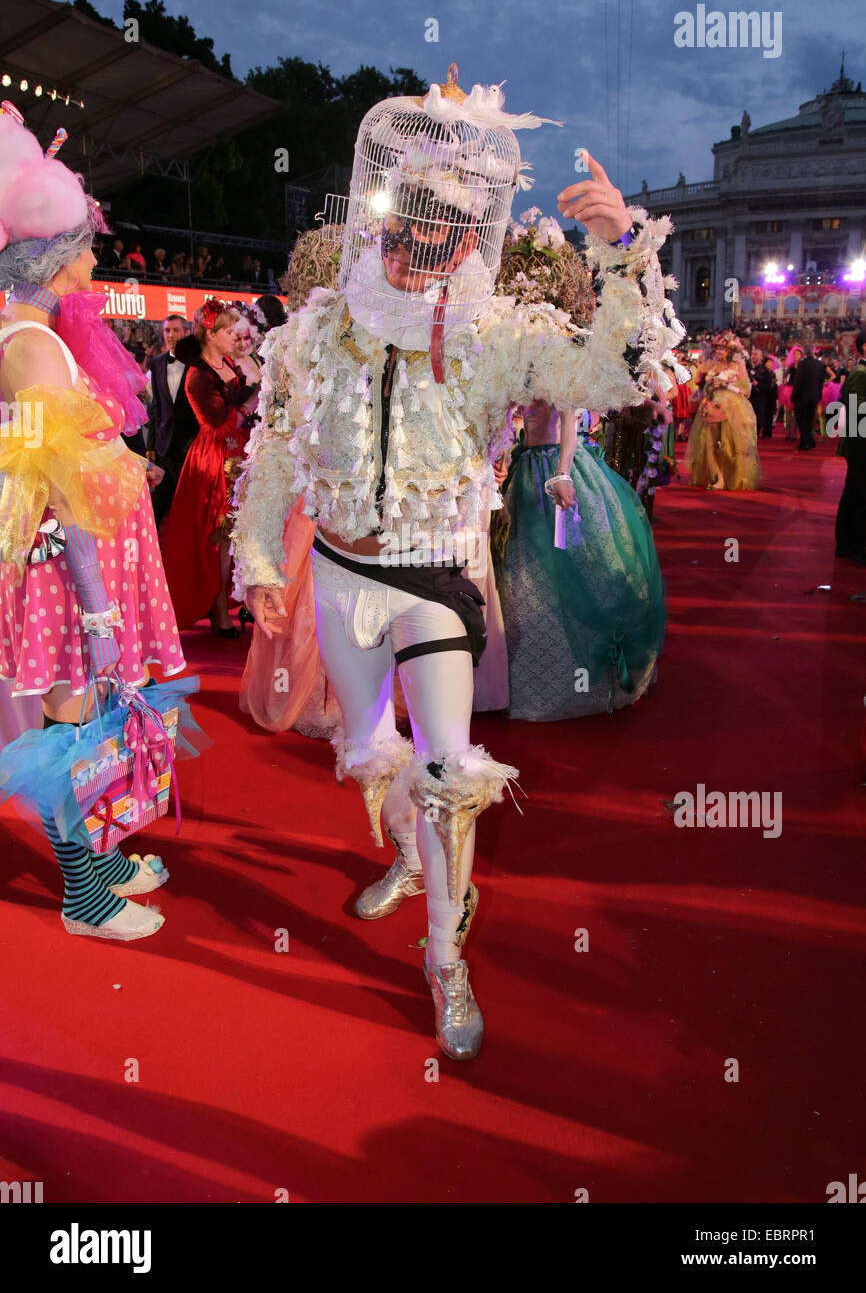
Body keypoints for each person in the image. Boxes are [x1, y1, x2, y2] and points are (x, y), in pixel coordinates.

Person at [230, 67, 683, 1059]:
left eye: (436, 230)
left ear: (461, 241)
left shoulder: (492, 335)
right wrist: (262, 552)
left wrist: (615, 252)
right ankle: (411, 855)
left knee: (444, 770)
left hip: (435, 576)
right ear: (381, 224)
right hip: (342, 574)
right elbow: (274, 445)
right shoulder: (320, 331)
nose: (411, 246)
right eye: (401, 224)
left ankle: (445, 954)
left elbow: (607, 374)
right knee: (367, 752)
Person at [0, 108, 195, 941]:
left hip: (69, 564)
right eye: (85, 241)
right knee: (68, 728)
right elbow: (49, 487)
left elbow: (47, 464)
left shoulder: (34, 335)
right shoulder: (30, 346)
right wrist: (96, 603)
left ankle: (99, 855)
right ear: (52, 254)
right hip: (63, 574)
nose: (95, 252)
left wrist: (125, 465)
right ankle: (82, 894)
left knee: (83, 721)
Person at [496, 403, 665, 719]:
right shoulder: (517, 361)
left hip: (557, 470)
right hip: (526, 471)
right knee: (527, 573)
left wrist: (562, 473)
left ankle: (594, 677)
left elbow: (568, 418)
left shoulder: (556, 361)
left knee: (573, 562)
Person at [160, 301, 257, 636]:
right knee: (217, 536)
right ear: (210, 333)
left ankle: (232, 599)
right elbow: (216, 427)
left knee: (237, 535)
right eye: (228, 331)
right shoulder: (197, 375)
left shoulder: (229, 362)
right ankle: (217, 607)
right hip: (213, 462)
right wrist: (249, 405)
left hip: (238, 455)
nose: (235, 336)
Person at [684, 331, 761, 490]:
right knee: (709, 443)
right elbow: (701, 384)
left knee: (729, 445)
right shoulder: (711, 365)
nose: (719, 352)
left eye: (723, 349)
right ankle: (717, 477)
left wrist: (726, 385)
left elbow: (746, 390)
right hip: (711, 405)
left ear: (730, 351)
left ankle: (731, 475)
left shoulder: (737, 366)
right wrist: (708, 386)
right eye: (718, 348)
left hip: (731, 408)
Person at [145, 314, 199, 527]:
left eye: (176, 330)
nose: (171, 335)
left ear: (186, 333)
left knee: (187, 506)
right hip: (164, 445)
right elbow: (155, 406)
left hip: (190, 446)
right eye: (168, 330)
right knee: (158, 506)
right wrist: (151, 445)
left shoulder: (197, 362)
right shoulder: (157, 363)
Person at [835, 329, 866, 564]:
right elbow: (856, 413)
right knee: (857, 496)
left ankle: (848, 544)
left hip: (859, 444)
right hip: (859, 446)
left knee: (854, 495)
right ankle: (852, 545)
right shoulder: (860, 373)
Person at [791, 347, 825, 450]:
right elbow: (821, 382)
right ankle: (805, 441)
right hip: (814, 396)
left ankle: (808, 441)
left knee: (801, 419)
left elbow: (798, 381)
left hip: (802, 397)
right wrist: (819, 394)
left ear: (804, 353)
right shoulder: (820, 365)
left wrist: (793, 395)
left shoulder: (802, 364)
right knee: (809, 420)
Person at [749, 349, 778, 440]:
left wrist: (758, 385)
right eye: (753, 354)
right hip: (748, 398)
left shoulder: (764, 371)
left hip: (760, 399)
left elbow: (769, 387)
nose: (754, 356)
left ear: (761, 357)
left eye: (756, 354)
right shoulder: (747, 368)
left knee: (758, 420)